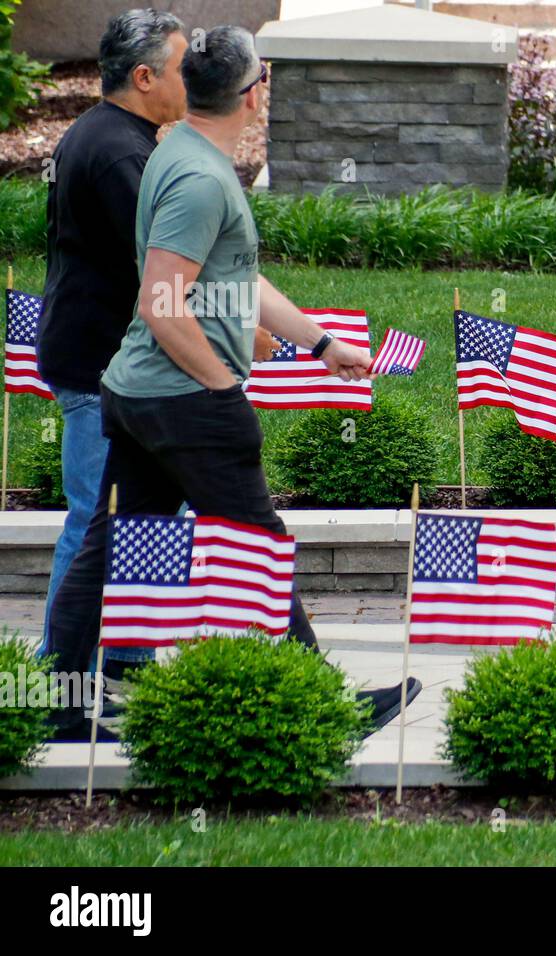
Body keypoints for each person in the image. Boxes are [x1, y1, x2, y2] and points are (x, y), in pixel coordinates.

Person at [43, 25, 420, 741]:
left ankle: (59, 706)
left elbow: (235, 276)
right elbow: (162, 302)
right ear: (254, 96)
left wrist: (321, 343)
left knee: (106, 545)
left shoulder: (179, 150)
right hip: (181, 398)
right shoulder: (198, 176)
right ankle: (322, 706)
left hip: (141, 392)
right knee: (259, 542)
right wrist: (221, 389)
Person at [36, 10, 276, 681]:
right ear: (144, 78)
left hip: (113, 363)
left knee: (124, 525)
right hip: (107, 363)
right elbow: (172, 271)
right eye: (178, 67)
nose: (190, 75)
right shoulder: (124, 153)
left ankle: (109, 664)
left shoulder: (118, 138)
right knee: (97, 526)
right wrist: (231, 351)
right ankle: (63, 674)